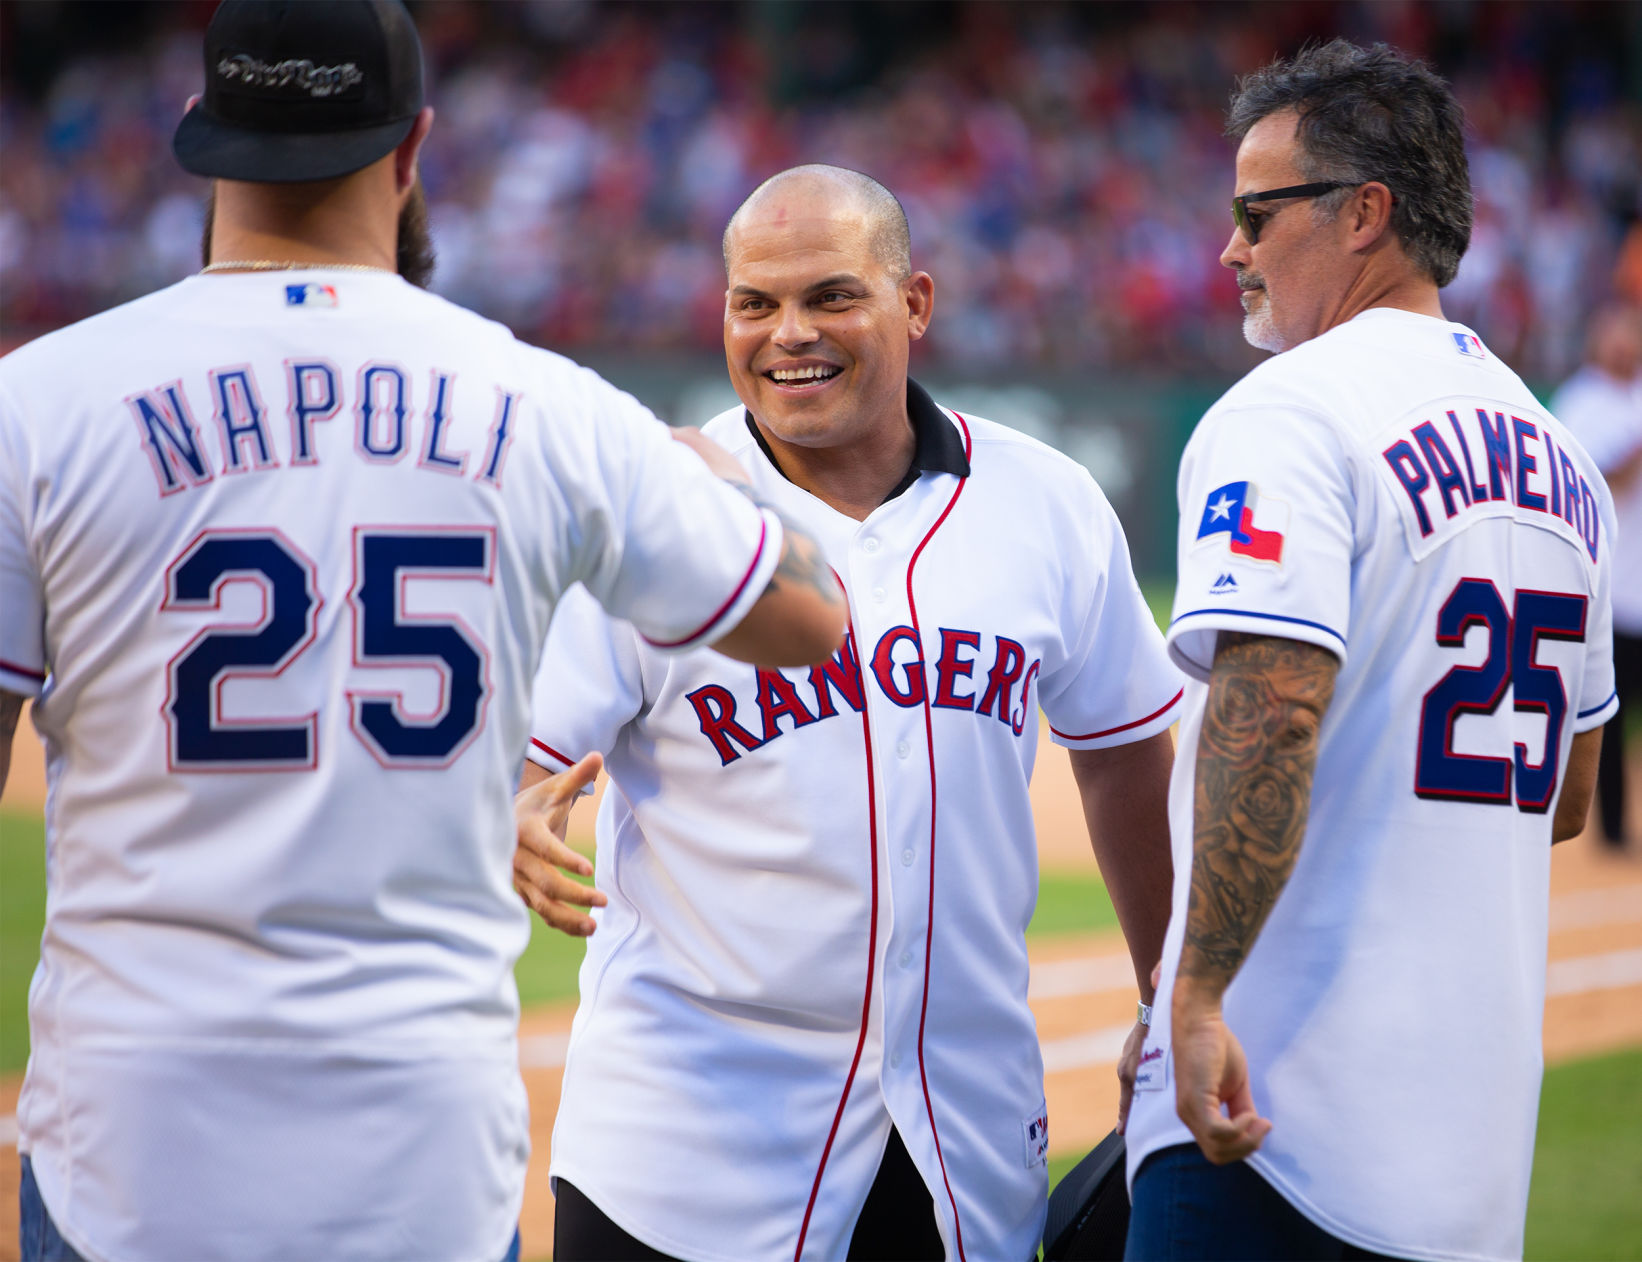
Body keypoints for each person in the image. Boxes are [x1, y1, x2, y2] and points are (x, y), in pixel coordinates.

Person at [0, 4, 847, 1260]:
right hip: (421, 1161)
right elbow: (809, 618)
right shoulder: (553, 407)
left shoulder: (35, 403)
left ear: (197, 134)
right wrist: (722, 484)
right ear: (413, 146)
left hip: (128, 1153)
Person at [512, 165, 1183, 1261]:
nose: (789, 334)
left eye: (830, 296)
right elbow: (512, 761)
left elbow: (1122, 754)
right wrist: (506, 815)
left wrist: (1169, 999)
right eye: (755, 303)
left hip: (957, 1144)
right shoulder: (656, 512)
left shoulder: (1046, 501)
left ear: (913, 303)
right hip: (683, 1153)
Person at [1122, 41, 1615, 1262]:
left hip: (1276, 1117)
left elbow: (1273, 710)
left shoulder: (1288, 407)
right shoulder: (1561, 453)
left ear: (1363, 213)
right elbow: (1567, 796)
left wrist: (1194, 989)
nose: (1230, 249)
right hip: (1469, 1148)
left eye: (1256, 213)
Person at [1552, 301, 1642, 851]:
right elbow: (1586, 486)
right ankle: (1610, 830)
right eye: (1615, 334)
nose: (1624, 344)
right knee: (1609, 709)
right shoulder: (1580, 401)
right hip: (1612, 588)